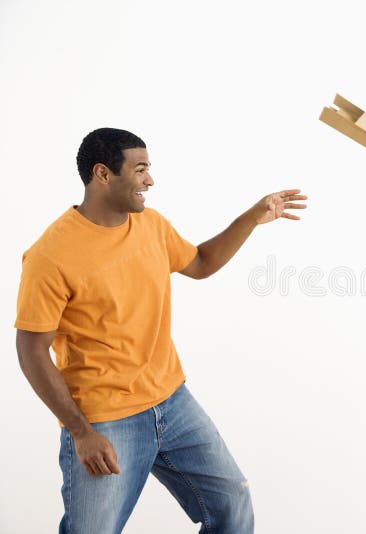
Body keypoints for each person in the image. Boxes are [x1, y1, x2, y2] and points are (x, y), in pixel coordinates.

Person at [15, 127, 307, 533]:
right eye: (140, 169)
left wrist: (254, 217)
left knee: (232, 507)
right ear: (103, 174)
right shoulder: (50, 256)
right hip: (106, 419)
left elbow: (201, 263)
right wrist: (81, 432)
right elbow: (30, 350)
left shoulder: (150, 225)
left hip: (172, 401)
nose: (150, 180)